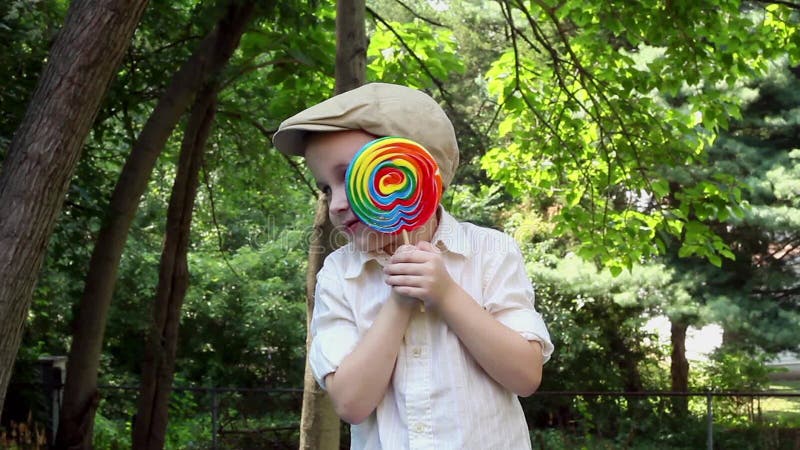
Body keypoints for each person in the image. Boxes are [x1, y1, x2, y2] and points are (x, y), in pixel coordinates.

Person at [272, 83, 553, 449]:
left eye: (349, 176)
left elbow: (525, 375)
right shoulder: (339, 275)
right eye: (325, 188)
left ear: (413, 170)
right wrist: (399, 302)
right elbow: (351, 403)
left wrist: (447, 295)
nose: (336, 204)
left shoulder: (490, 251)